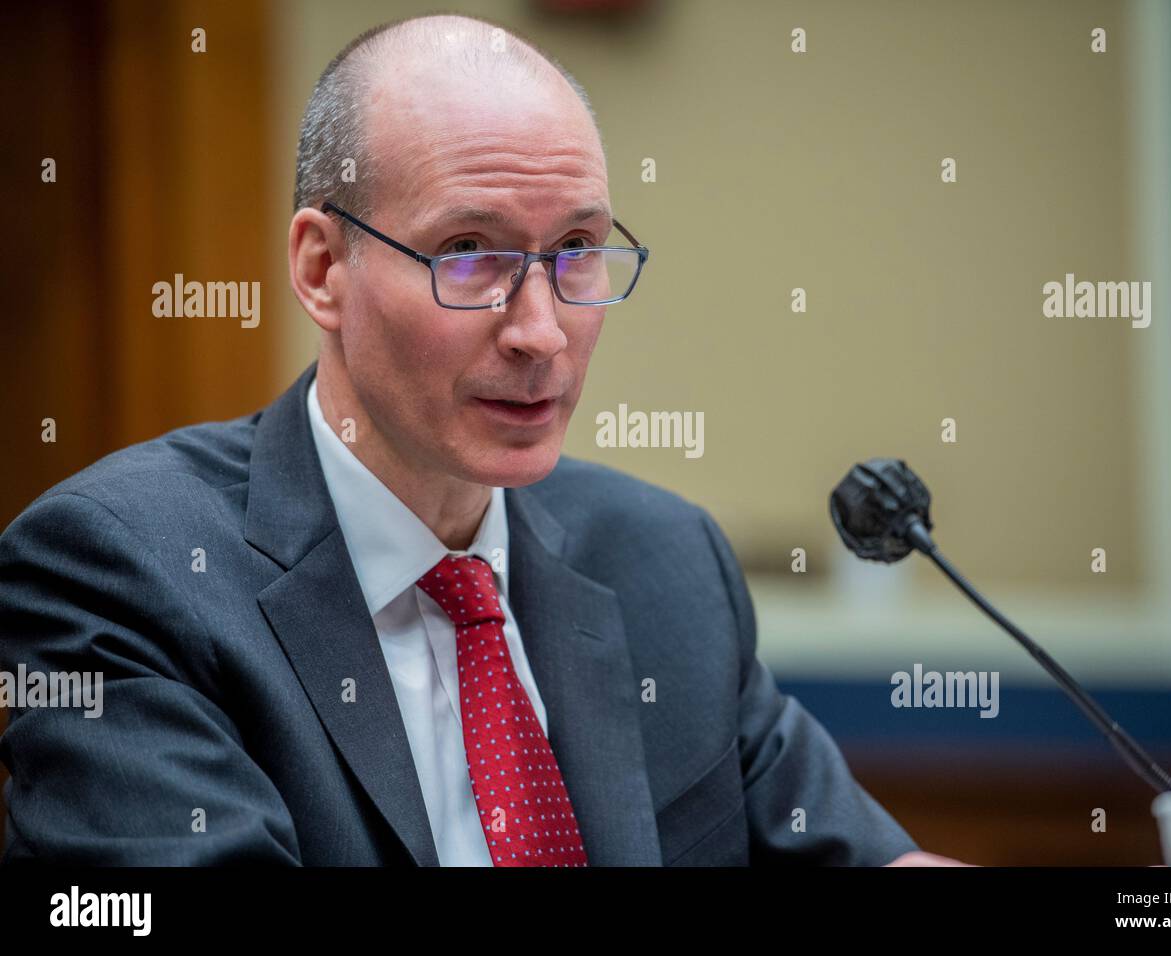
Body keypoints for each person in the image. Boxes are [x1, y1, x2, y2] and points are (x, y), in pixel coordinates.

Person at [0, 13, 958, 867]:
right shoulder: (119, 572)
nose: (541, 331)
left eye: (577, 250)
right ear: (324, 267)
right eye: (468, 254)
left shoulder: (665, 562)